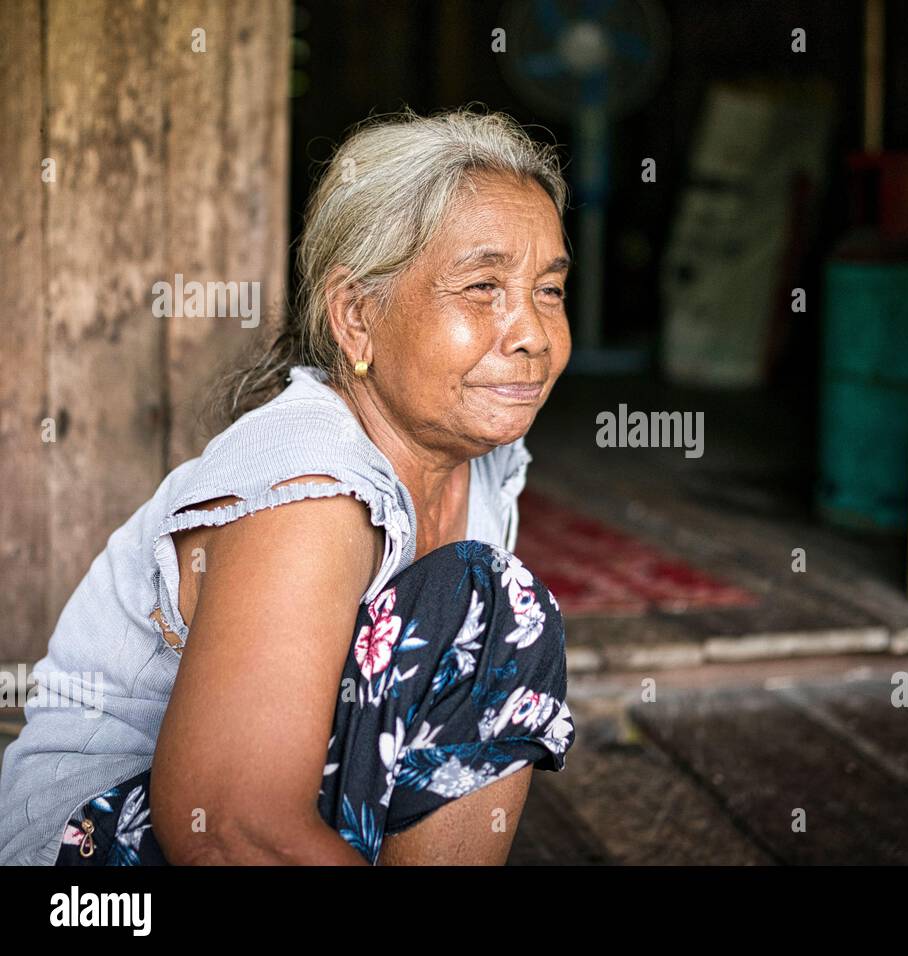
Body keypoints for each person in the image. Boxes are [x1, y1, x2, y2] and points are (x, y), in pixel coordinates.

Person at [0, 106, 576, 865]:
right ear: (356, 317)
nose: (532, 331)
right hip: (88, 867)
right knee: (492, 605)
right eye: (481, 287)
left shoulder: (483, 462)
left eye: (548, 290)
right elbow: (229, 829)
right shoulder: (310, 482)